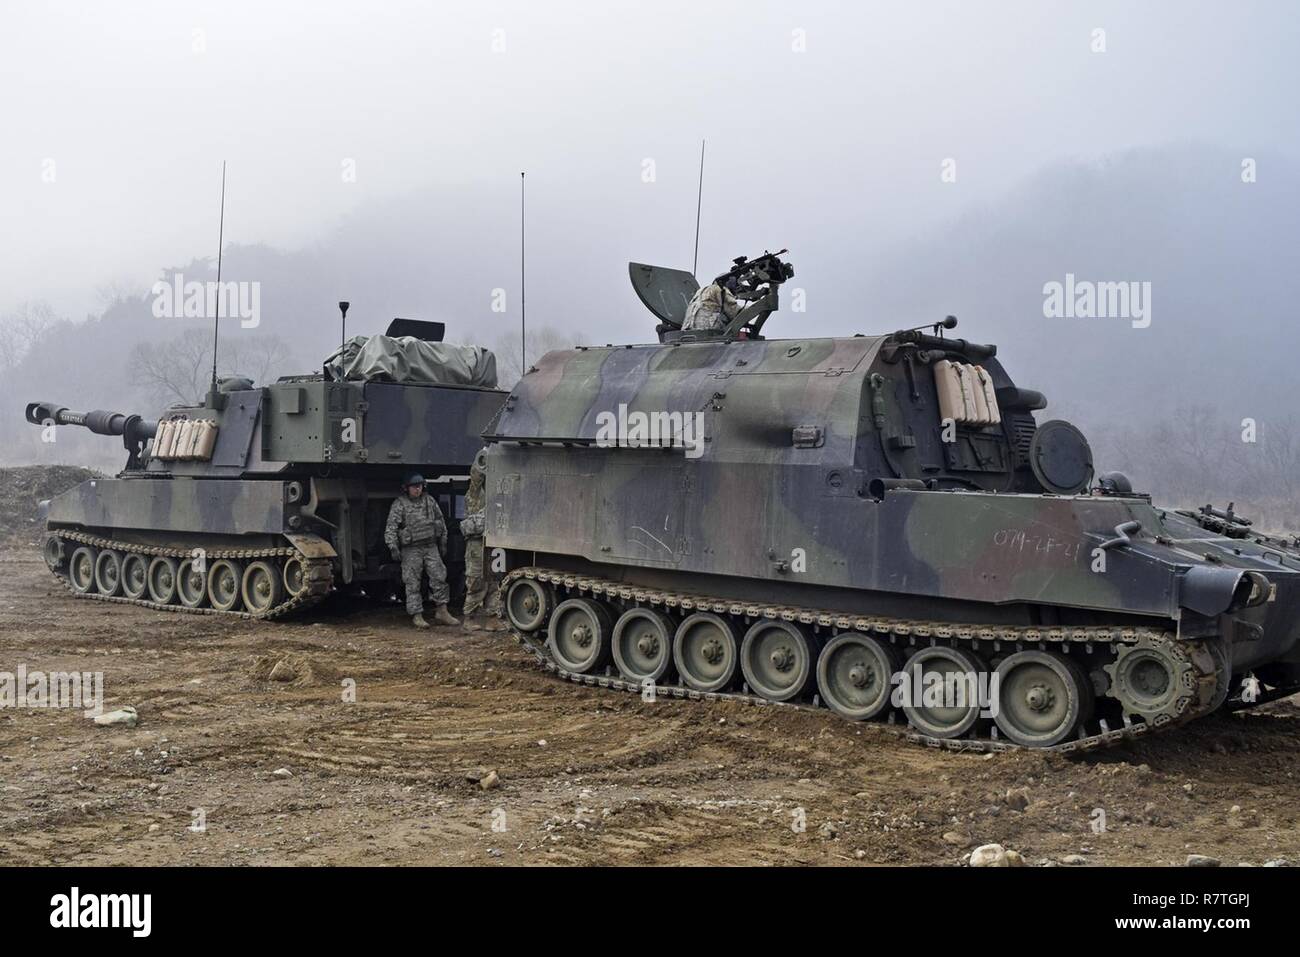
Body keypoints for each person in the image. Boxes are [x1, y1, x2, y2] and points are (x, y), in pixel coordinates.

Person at [384, 474, 459, 628]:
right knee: (412, 582)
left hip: (430, 546)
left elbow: (441, 522)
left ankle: (442, 610)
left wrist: (443, 542)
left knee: (439, 577)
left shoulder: (429, 501)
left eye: (419, 486)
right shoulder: (400, 504)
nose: (417, 489)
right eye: (414, 487)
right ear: (407, 488)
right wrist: (393, 547)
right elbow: (391, 528)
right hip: (411, 549)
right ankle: (416, 614)